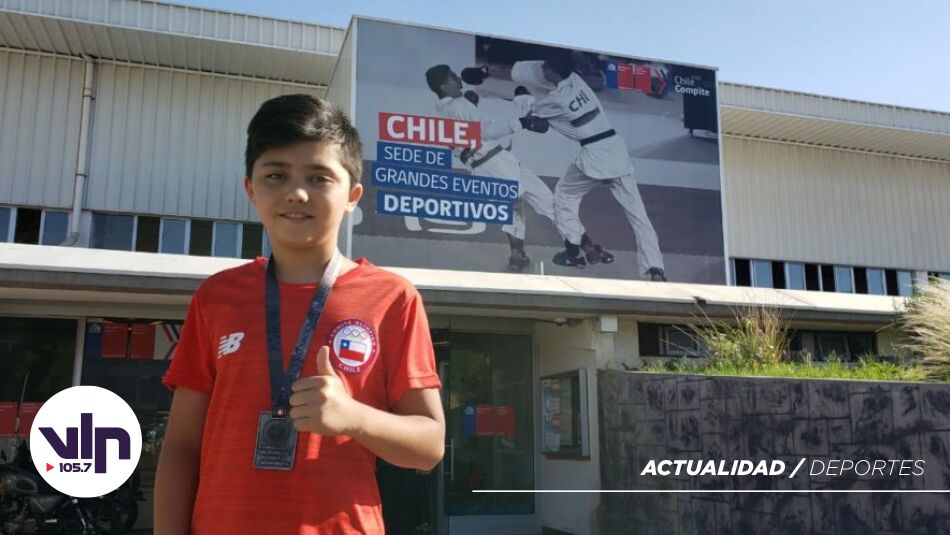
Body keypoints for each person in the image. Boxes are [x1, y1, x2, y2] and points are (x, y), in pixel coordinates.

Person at [154, 94, 445, 534]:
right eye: (276, 175)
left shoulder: (392, 298)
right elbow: (180, 447)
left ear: (353, 195)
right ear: (250, 189)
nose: (296, 192)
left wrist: (354, 418)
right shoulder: (217, 297)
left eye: (319, 176)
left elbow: (429, 445)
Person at [468, 55, 667, 280]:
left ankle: (572, 250)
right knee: (638, 215)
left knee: (563, 196)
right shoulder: (577, 80)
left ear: (552, 71)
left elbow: (535, 122)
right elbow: (536, 77)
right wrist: (490, 73)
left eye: (545, 67)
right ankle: (655, 267)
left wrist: (520, 97)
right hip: (616, 150)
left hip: (593, 156)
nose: (542, 70)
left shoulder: (556, 100)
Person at [425, 64, 556, 272]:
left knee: (514, 207)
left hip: (479, 167)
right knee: (546, 200)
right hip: (494, 161)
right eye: (452, 76)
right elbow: (489, 130)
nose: (457, 77)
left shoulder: (440, 111)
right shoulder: (460, 105)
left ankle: (517, 254)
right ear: (444, 86)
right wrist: (522, 122)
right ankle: (578, 242)